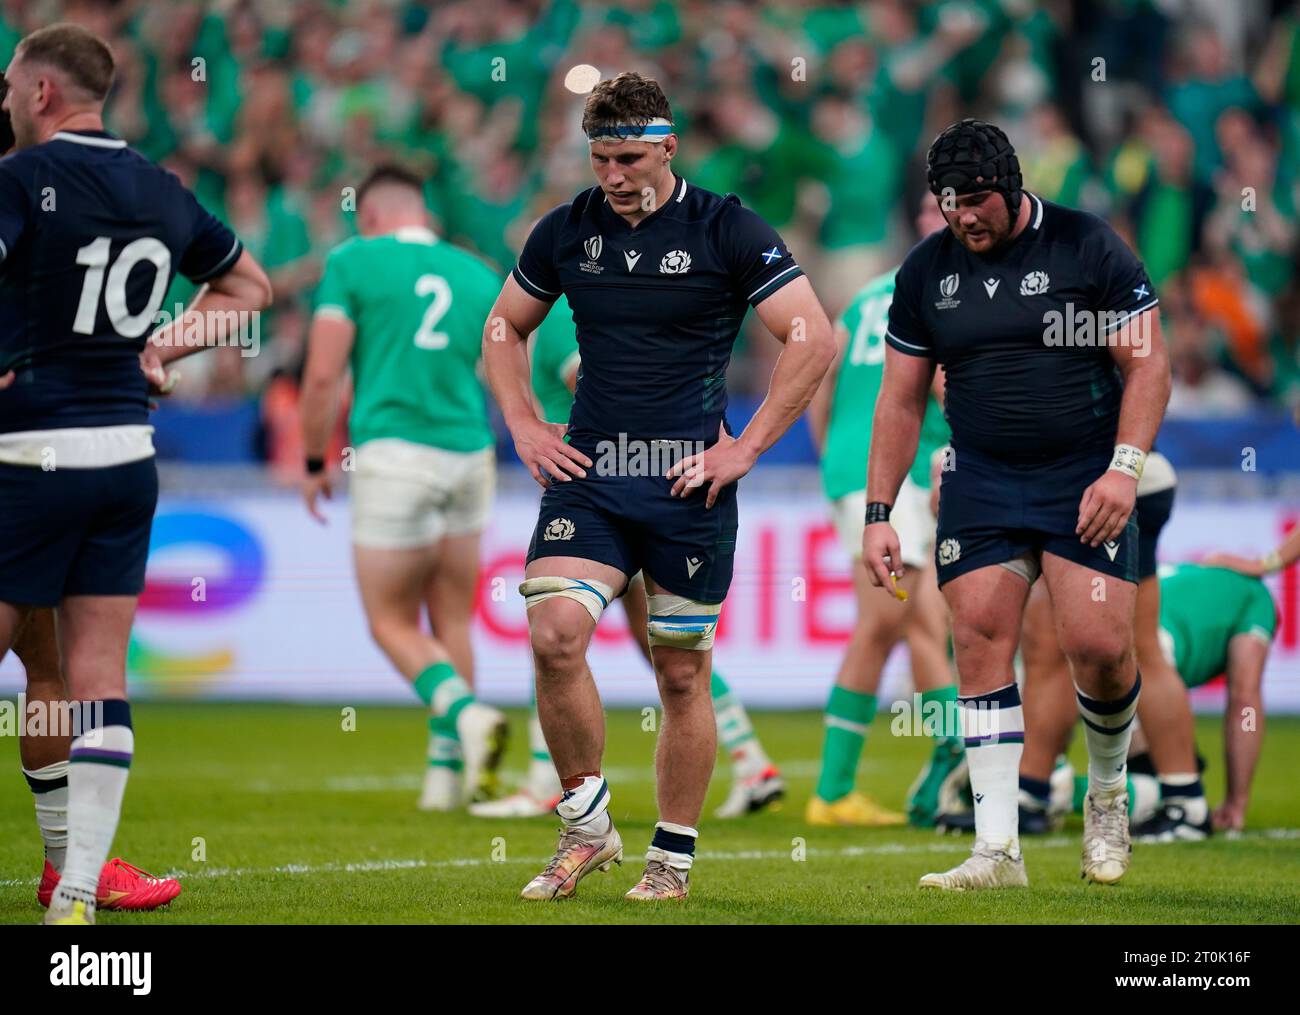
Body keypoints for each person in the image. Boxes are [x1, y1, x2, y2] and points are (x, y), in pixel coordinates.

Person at [482, 72, 833, 900]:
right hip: (593, 474)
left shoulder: (728, 227)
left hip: (687, 484)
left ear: (669, 147)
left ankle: (670, 861)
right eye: (600, 158)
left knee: (681, 675)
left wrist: (745, 448)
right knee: (554, 631)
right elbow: (504, 327)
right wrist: (527, 424)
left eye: (629, 158)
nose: (613, 175)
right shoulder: (566, 230)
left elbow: (812, 337)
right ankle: (587, 825)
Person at [0, 23, 271, 924]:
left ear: (42, 94)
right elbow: (248, 291)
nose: (4, 99)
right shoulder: (162, 189)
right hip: (124, 456)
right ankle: (73, 889)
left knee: (43, 666)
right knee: (88, 673)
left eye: (10, 86)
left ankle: (71, 876)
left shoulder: (22, 181)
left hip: (28, 454)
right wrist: (162, 346)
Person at [863, 119, 1169, 889]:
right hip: (982, 479)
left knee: (1099, 647)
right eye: (948, 202)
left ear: (1011, 185)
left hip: (1084, 477)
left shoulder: (1087, 245)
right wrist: (878, 513)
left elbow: (1148, 364)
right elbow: (899, 402)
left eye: (976, 200)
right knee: (978, 641)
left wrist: (1124, 469)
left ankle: (1106, 794)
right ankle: (996, 849)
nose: (963, 216)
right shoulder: (926, 270)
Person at [472, 294, 785, 820]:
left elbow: (595, 385)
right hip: (620, 493)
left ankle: (544, 780)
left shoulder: (569, 313)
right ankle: (752, 761)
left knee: (560, 629)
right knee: (655, 649)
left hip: (608, 499)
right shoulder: (568, 304)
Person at [300, 164, 509, 811]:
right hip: (468, 452)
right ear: (424, 212)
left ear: (369, 216)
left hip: (393, 453)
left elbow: (321, 375)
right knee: (451, 616)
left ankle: (467, 714)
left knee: (390, 620)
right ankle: (449, 778)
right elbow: (507, 367)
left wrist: (313, 459)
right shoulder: (476, 273)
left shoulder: (353, 260)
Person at [805, 192, 960, 828]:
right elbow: (951, 388)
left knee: (918, 620)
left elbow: (822, 382)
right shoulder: (946, 293)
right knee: (887, 625)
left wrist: (835, 464)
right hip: (895, 480)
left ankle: (954, 751)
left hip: (855, 471)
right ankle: (835, 789)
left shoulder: (869, 296)